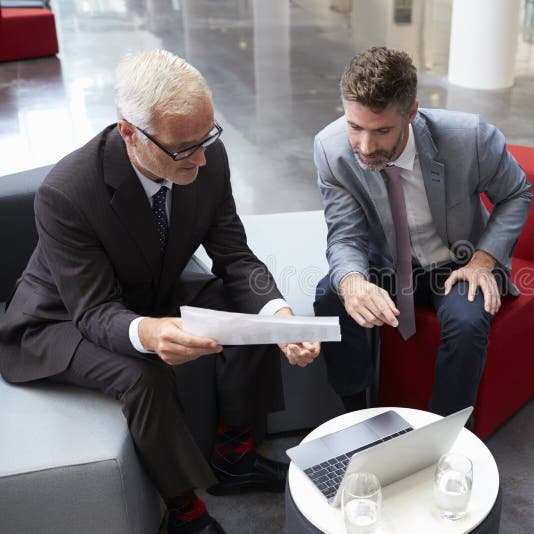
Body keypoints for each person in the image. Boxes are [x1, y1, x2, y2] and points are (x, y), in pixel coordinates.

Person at [0, 49, 320, 534]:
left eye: (208, 137)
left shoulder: (206, 159)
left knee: (252, 312)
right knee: (141, 375)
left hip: (149, 289)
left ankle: (234, 453)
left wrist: (279, 314)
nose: (202, 157)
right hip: (59, 317)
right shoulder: (67, 192)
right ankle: (184, 511)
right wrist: (148, 333)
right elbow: (94, 310)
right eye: (182, 148)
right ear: (129, 132)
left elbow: (235, 256)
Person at [313, 47, 532, 419]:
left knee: (467, 321)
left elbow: (516, 194)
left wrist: (483, 260)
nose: (365, 147)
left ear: (411, 113)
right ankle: (355, 413)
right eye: (355, 126)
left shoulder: (471, 138)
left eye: (382, 131)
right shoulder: (332, 150)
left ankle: (446, 434)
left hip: (460, 262)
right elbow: (345, 235)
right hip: (389, 263)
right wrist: (352, 281)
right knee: (331, 294)